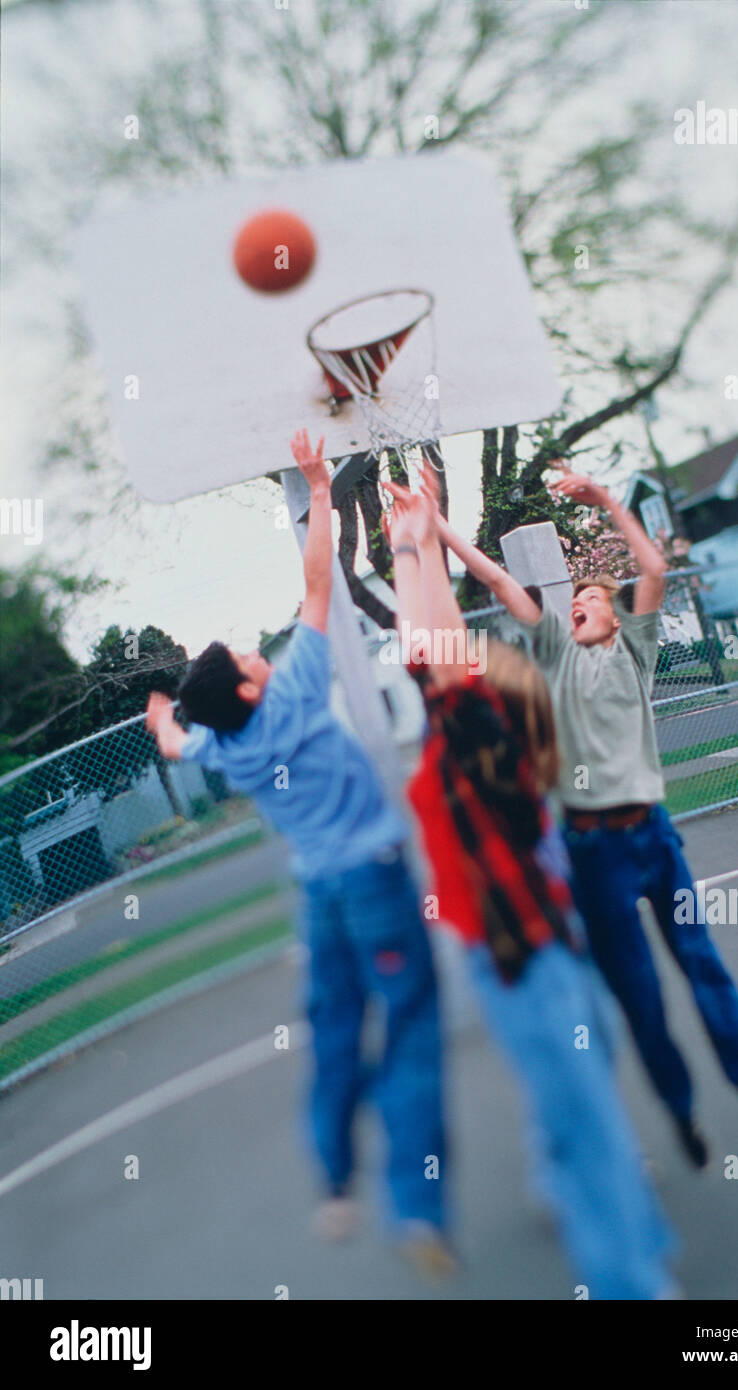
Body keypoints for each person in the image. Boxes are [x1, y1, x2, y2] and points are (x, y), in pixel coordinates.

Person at [427, 460, 738, 1179]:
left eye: (590, 599)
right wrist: (436, 521)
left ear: (614, 615)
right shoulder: (549, 653)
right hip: (591, 850)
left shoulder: (634, 651)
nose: (576, 602)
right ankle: (681, 1112)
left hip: (651, 836)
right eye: (570, 600)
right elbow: (499, 580)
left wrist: (601, 496)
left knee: (703, 971)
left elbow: (652, 564)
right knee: (639, 1000)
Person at [146, 430, 451, 1272]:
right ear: (251, 685)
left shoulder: (227, 747)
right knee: (414, 1026)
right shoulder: (296, 695)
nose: (260, 652)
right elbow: (321, 582)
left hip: (320, 897)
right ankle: (418, 1209)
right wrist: (319, 489)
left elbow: (178, 744)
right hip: (377, 883)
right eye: (249, 656)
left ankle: (336, 1188)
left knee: (334, 1031)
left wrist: (162, 720)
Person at [381, 465, 679, 1299]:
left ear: (475, 706)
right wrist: (418, 537)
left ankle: (619, 1265)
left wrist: (414, 541)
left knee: (586, 1110)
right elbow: (432, 648)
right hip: (538, 947)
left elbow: (428, 649)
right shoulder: (492, 751)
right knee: (586, 1103)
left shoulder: (474, 761)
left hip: (530, 955)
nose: (452, 665)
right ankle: (610, 1240)